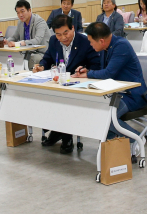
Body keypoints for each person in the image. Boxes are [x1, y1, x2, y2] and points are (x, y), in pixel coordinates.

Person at [77, 22, 147, 156]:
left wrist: (88, 74)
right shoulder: (106, 47)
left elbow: (108, 73)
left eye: (92, 42)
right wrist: (88, 71)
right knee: (98, 113)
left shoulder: (121, 46)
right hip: (116, 93)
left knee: (106, 117)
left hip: (132, 94)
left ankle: (137, 138)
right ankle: (111, 148)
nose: (91, 45)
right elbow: (104, 70)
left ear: (102, 41)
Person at [35, 14, 99, 152]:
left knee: (65, 100)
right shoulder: (53, 41)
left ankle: (66, 136)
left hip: (79, 85)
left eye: (66, 33)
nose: (63, 38)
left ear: (73, 28)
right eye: (58, 34)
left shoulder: (85, 41)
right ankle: (57, 130)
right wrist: (41, 66)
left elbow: (96, 64)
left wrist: (85, 71)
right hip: (59, 84)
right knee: (44, 98)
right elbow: (47, 59)